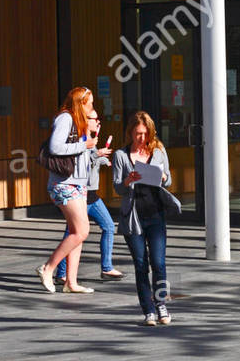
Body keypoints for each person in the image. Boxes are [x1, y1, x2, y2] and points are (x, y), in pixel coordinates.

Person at [36, 87, 113, 294]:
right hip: (64, 183)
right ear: (81, 103)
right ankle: (48, 267)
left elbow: (82, 158)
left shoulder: (78, 122)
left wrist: (90, 142)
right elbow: (56, 147)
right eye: (90, 103)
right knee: (82, 230)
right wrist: (84, 145)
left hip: (78, 183)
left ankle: (71, 282)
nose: (92, 107)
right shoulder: (65, 118)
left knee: (76, 233)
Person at [113, 111, 183, 326]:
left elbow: (168, 180)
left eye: (144, 134)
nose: (141, 138)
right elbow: (117, 187)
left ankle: (161, 304)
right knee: (141, 264)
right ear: (130, 133)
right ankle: (148, 310)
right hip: (133, 217)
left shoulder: (158, 151)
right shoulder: (121, 155)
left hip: (155, 214)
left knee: (159, 263)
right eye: (137, 133)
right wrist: (128, 181)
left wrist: (163, 176)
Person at [55, 103, 123, 286]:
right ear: (85, 121)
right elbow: (79, 163)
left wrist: (100, 158)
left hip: (91, 194)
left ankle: (106, 267)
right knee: (73, 233)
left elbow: (91, 163)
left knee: (107, 226)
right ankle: (60, 272)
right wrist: (96, 155)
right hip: (80, 194)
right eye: (94, 118)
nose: (98, 121)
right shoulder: (81, 140)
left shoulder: (91, 140)